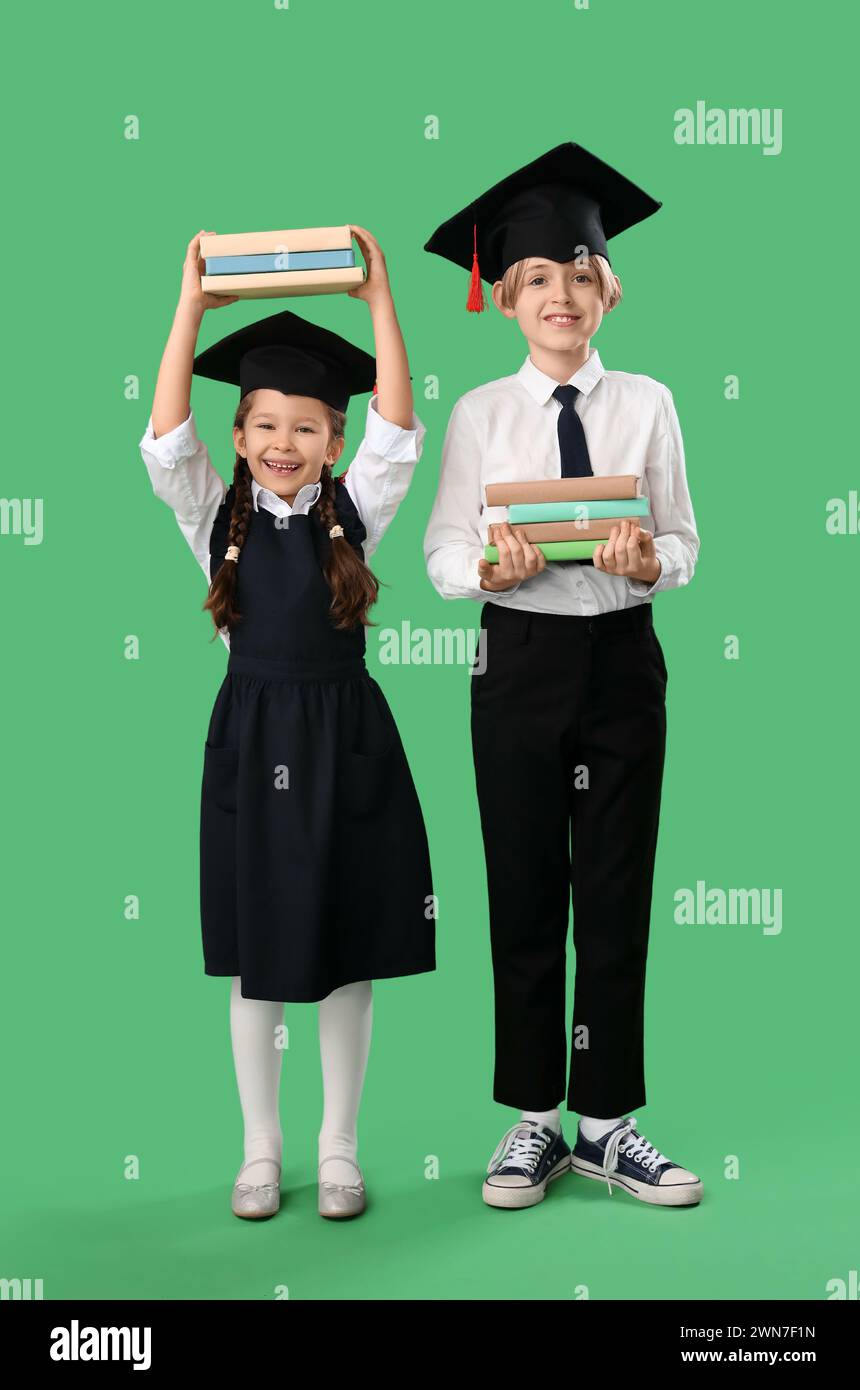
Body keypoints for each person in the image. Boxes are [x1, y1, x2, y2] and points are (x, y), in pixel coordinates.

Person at [423, 143, 703, 1209]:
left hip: (621, 659)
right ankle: (532, 1118)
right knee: (525, 884)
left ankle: (606, 1121)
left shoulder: (647, 402)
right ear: (505, 297)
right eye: (537, 277)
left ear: (606, 289)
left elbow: (682, 537)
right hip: (519, 661)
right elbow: (446, 550)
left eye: (579, 274)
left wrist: (652, 563)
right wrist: (483, 569)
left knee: (617, 887)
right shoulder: (480, 417)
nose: (560, 293)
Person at [139, 227, 435, 1222]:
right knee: (257, 952)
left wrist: (378, 297)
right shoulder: (210, 520)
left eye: (305, 428)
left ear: (331, 443)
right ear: (238, 434)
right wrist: (191, 306)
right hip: (252, 746)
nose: (281, 442)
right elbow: (161, 440)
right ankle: (259, 1151)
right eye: (263, 424)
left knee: (345, 948)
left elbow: (401, 429)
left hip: (347, 746)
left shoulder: (352, 513)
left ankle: (337, 1146)